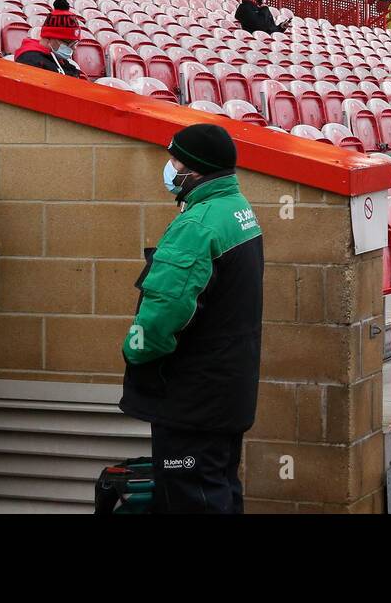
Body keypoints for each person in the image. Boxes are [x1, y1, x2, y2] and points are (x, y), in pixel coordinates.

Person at [120, 123, 263, 513]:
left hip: (191, 402)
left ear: (195, 168)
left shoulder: (197, 226)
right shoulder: (237, 210)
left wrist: (135, 352)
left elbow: (163, 314)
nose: (169, 167)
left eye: (175, 159)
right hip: (224, 393)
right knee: (220, 490)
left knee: (191, 497)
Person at [12, 0, 84, 77]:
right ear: (48, 38)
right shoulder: (30, 60)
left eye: (75, 42)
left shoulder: (61, 61)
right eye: (68, 42)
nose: (74, 47)